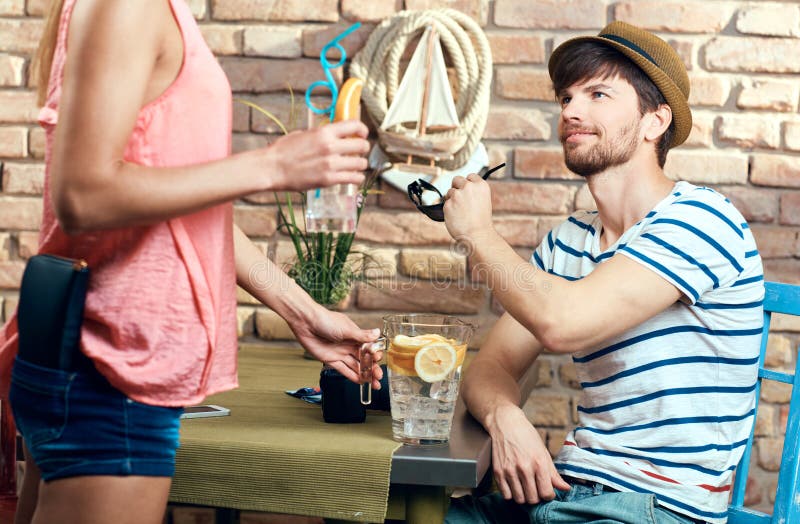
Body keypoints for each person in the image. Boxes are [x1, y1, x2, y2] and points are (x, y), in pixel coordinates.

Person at [0, 1, 384, 523]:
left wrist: (302, 311)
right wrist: (271, 165)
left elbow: (184, 206)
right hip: (111, 370)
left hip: (109, 363)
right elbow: (83, 193)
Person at [442, 21, 764, 524]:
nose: (571, 111)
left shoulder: (701, 219)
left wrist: (479, 235)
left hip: (656, 509)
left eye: (597, 94)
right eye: (566, 97)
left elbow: (561, 322)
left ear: (654, 122)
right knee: (382, 510)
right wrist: (506, 417)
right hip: (568, 493)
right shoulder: (570, 240)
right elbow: (491, 368)